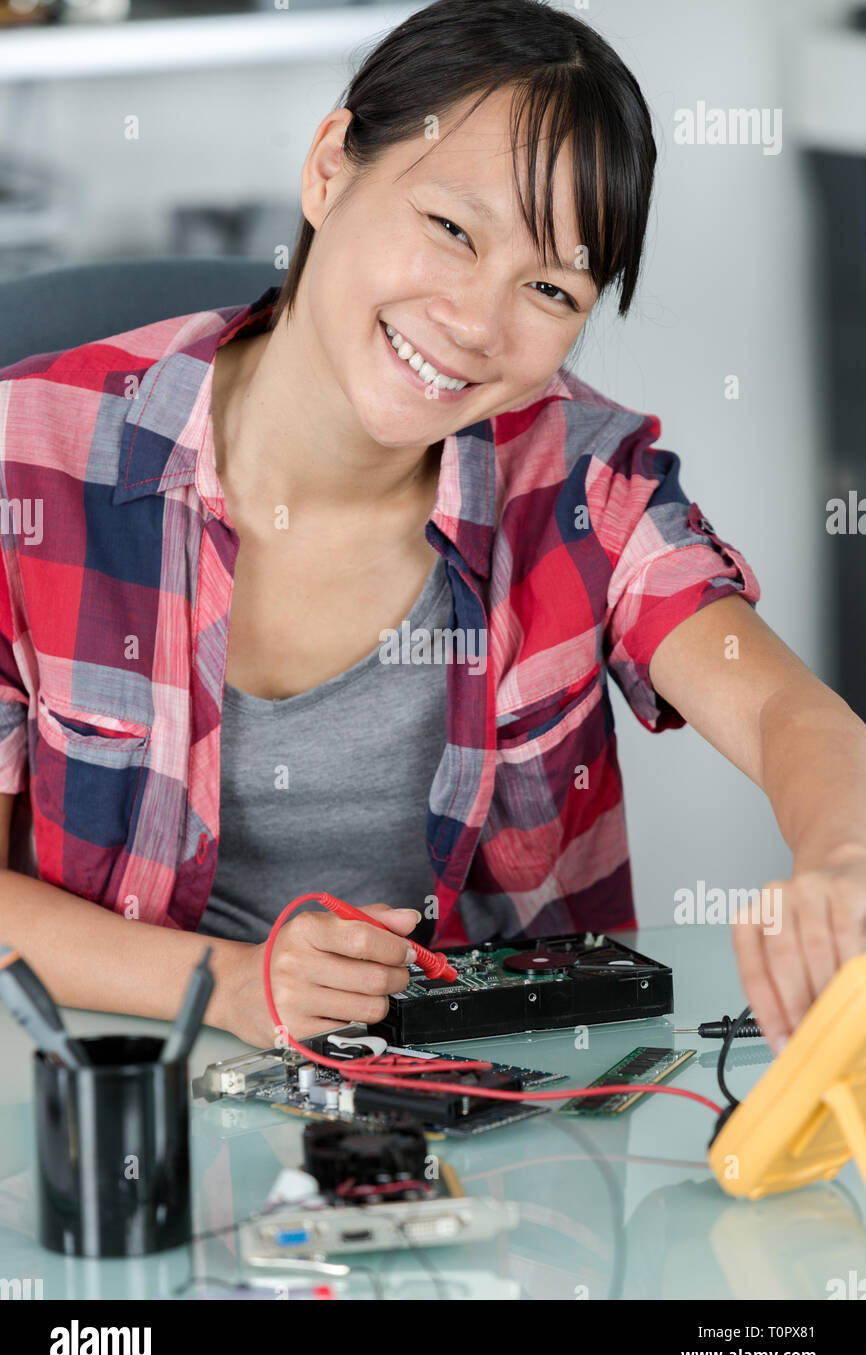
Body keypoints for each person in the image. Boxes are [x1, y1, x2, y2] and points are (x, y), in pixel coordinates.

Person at [1, 0, 864, 1054]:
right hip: (128, 1095)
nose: (473, 321)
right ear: (329, 167)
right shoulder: (28, 457)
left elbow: (789, 714)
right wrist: (231, 983)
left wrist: (843, 862)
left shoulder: (579, 477)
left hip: (504, 1137)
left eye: (547, 287)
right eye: (451, 229)